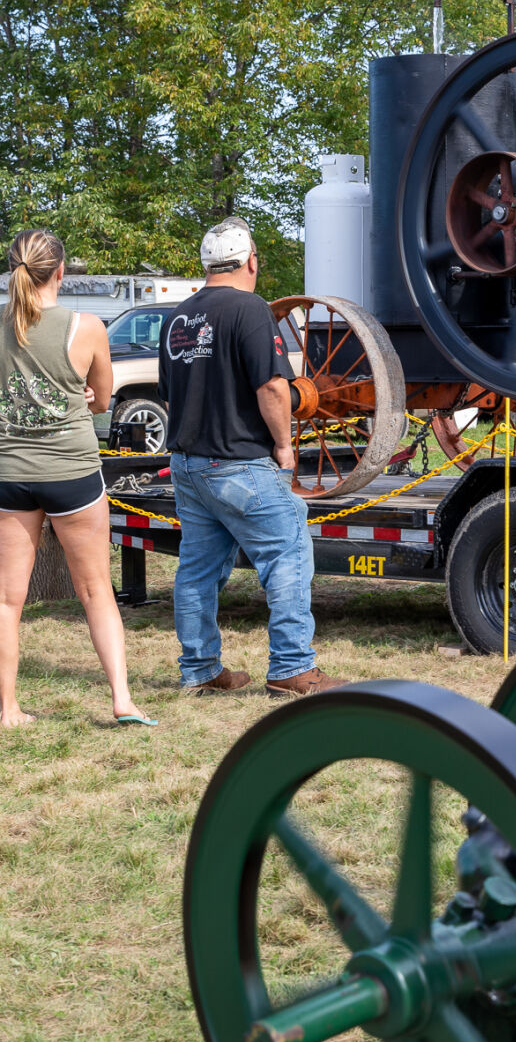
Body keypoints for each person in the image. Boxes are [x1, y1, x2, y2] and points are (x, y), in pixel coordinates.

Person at [158, 219, 340, 698]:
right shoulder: (251, 309)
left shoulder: (177, 318)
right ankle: (291, 668)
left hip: (188, 464)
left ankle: (198, 669)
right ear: (251, 261)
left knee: (197, 570)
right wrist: (283, 446)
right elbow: (272, 386)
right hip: (239, 463)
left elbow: (173, 394)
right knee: (287, 554)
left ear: (206, 264)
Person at [0, 229, 155, 728]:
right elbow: (105, 400)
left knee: (6, 599)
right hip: (72, 473)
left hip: (9, 474)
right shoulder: (87, 326)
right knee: (95, 591)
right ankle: (122, 700)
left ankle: (7, 710)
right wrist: (85, 396)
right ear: (61, 271)